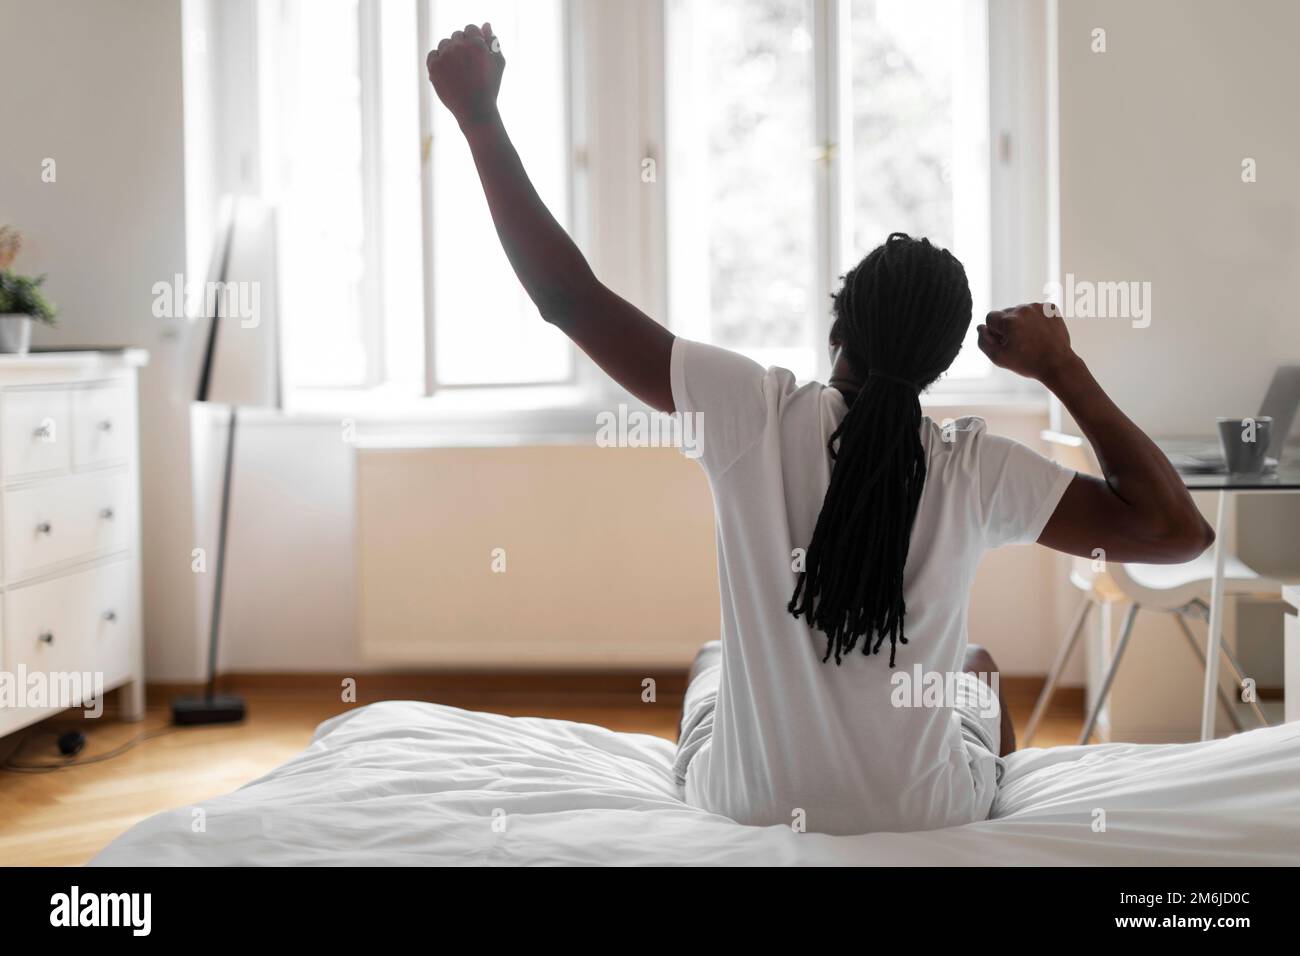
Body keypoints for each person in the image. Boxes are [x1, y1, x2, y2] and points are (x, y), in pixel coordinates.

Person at [426, 24, 1214, 835]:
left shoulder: (750, 411)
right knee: (975, 669)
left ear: (839, 324)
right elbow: (1176, 531)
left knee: (712, 661)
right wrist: (1060, 366)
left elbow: (570, 299)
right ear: (938, 365)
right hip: (924, 814)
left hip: (749, 806)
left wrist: (480, 116)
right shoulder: (977, 470)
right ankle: (974, 851)